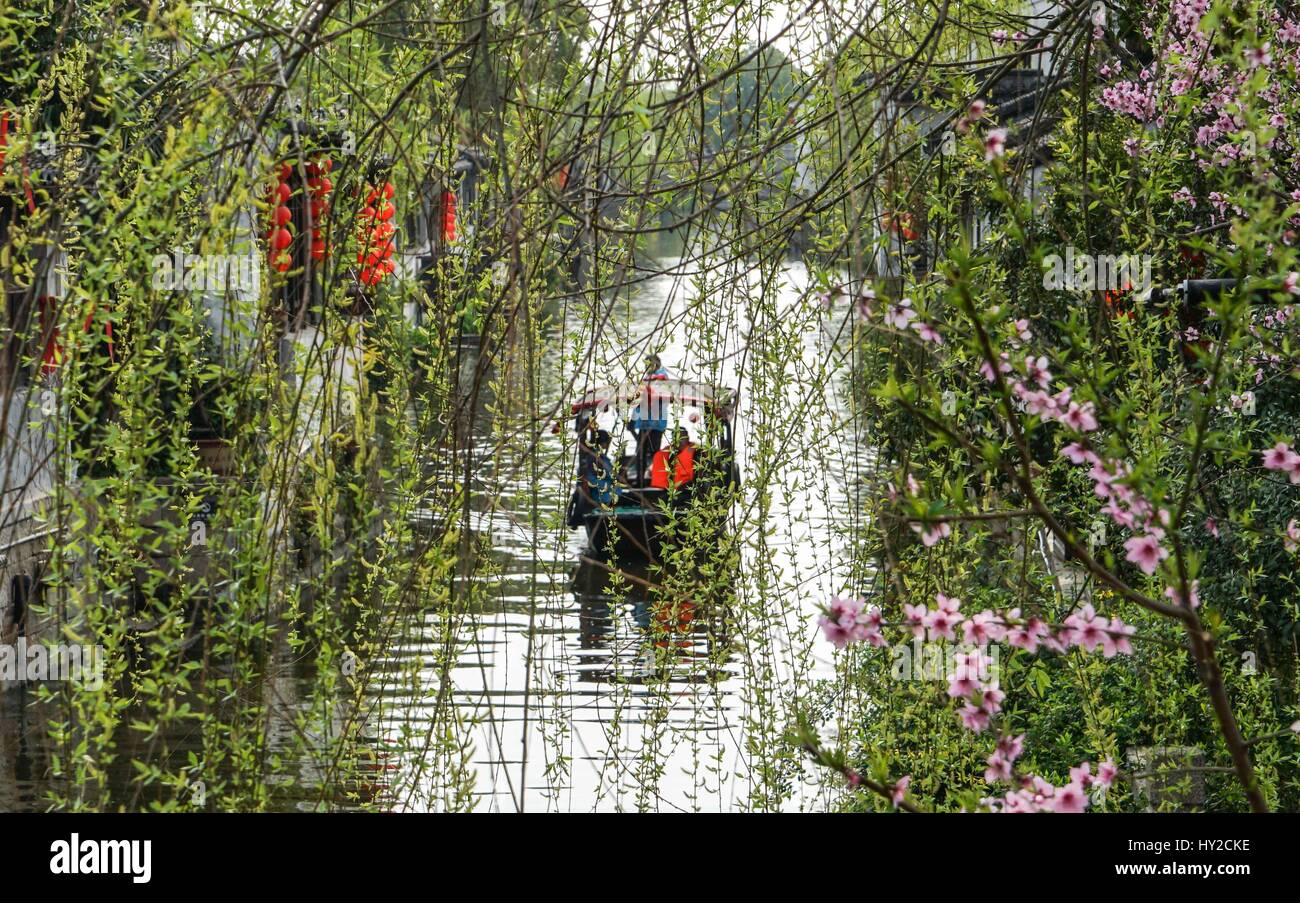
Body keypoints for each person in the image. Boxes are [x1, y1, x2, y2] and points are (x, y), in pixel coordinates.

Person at [650, 427, 696, 492]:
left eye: (682, 438)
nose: (679, 441)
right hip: (665, 490)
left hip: (688, 490)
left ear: (688, 438)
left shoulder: (696, 453)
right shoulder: (666, 454)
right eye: (677, 438)